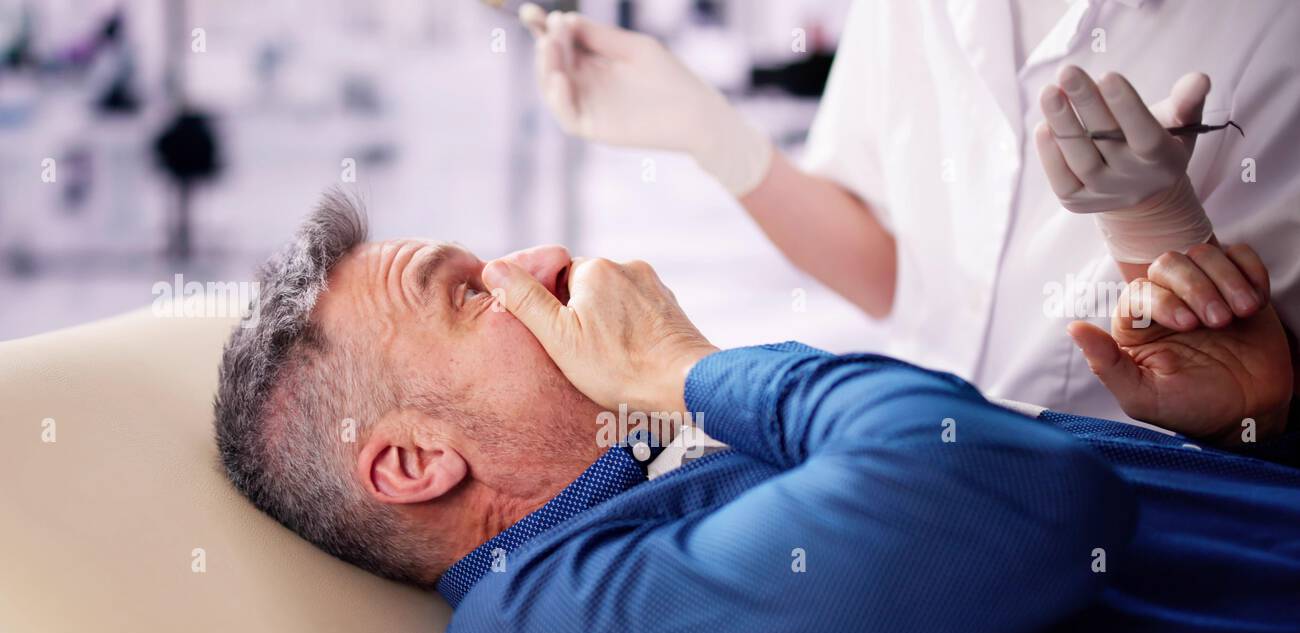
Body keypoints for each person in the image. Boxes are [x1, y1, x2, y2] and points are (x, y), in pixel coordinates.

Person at [214, 189, 1298, 633]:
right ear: (413, 463)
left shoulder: (685, 488)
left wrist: (1239, 438)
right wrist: (681, 367)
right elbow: (1020, 500)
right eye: (466, 294)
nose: (539, 262)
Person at [519, 0, 1300, 422]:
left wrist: (1157, 229)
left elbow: (1256, 404)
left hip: (1144, 515)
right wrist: (710, 132)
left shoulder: (1273, 29)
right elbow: (895, 275)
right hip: (929, 469)